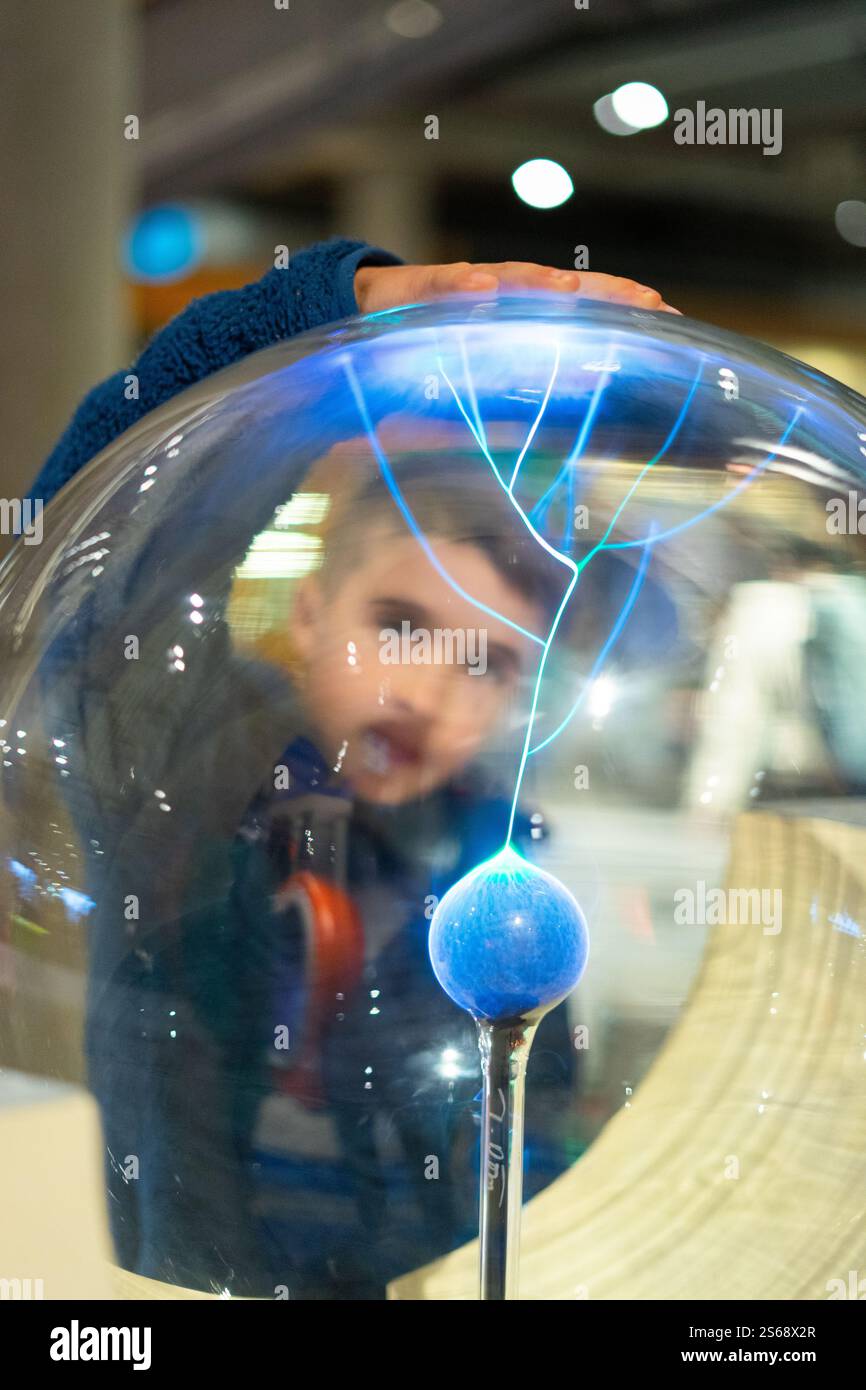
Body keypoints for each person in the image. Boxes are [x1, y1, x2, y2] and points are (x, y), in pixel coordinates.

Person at [25, 238, 680, 1297]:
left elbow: (525, 1135)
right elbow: (102, 564)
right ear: (310, 612)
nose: (427, 689)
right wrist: (311, 313)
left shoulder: (498, 869)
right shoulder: (189, 777)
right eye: (399, 624)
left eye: (486, 662)